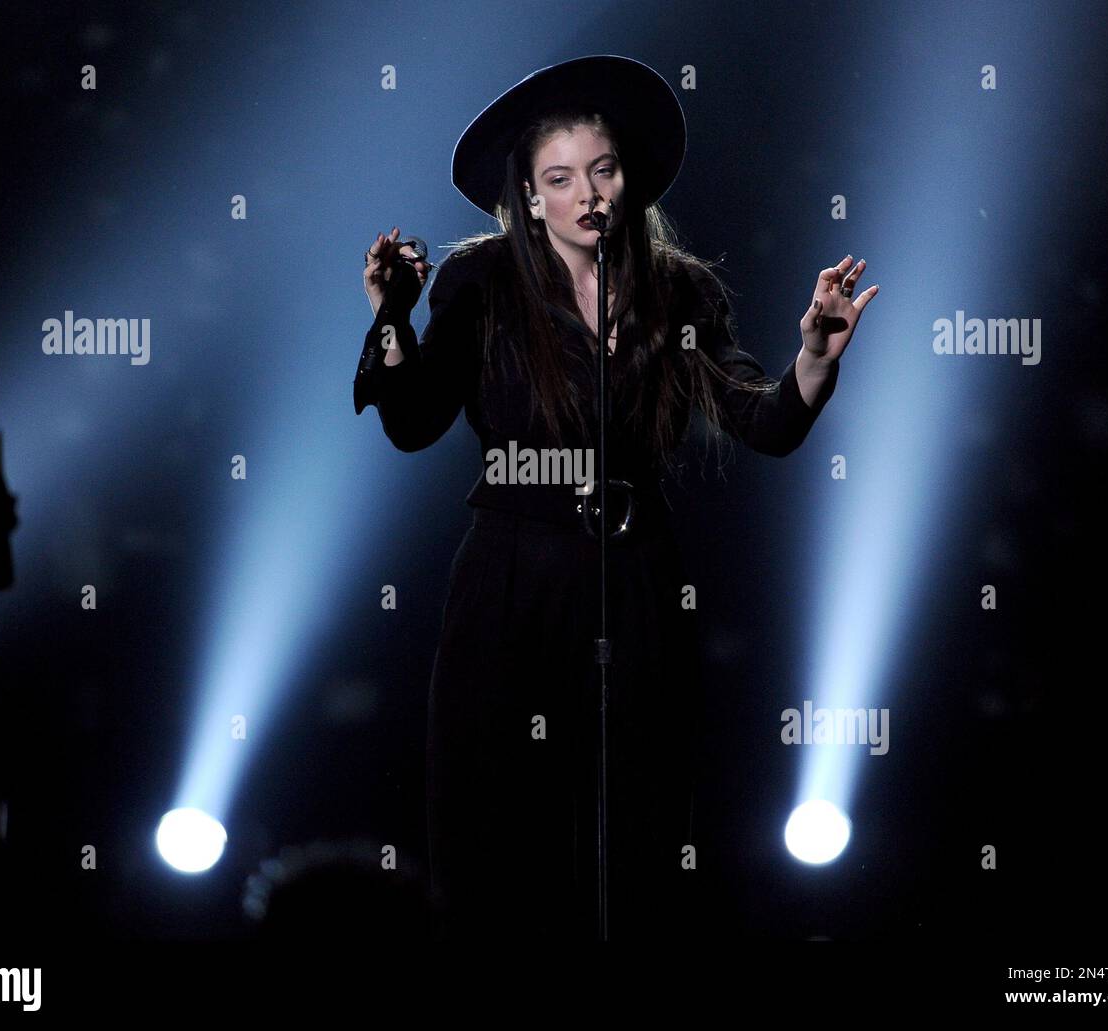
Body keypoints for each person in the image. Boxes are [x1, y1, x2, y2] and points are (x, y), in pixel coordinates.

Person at [355, 55, 877, 942]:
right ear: (528, 196)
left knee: (635, 821)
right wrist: (392, 320)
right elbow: (412, 422)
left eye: (603, 171)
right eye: (560, 179)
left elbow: (764, 420)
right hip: (513, 573)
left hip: (634, 573)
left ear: (626, 177)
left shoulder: (680, 290)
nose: (588, 195)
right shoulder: (480, 284)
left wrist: (816, 357)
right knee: (498, 825)